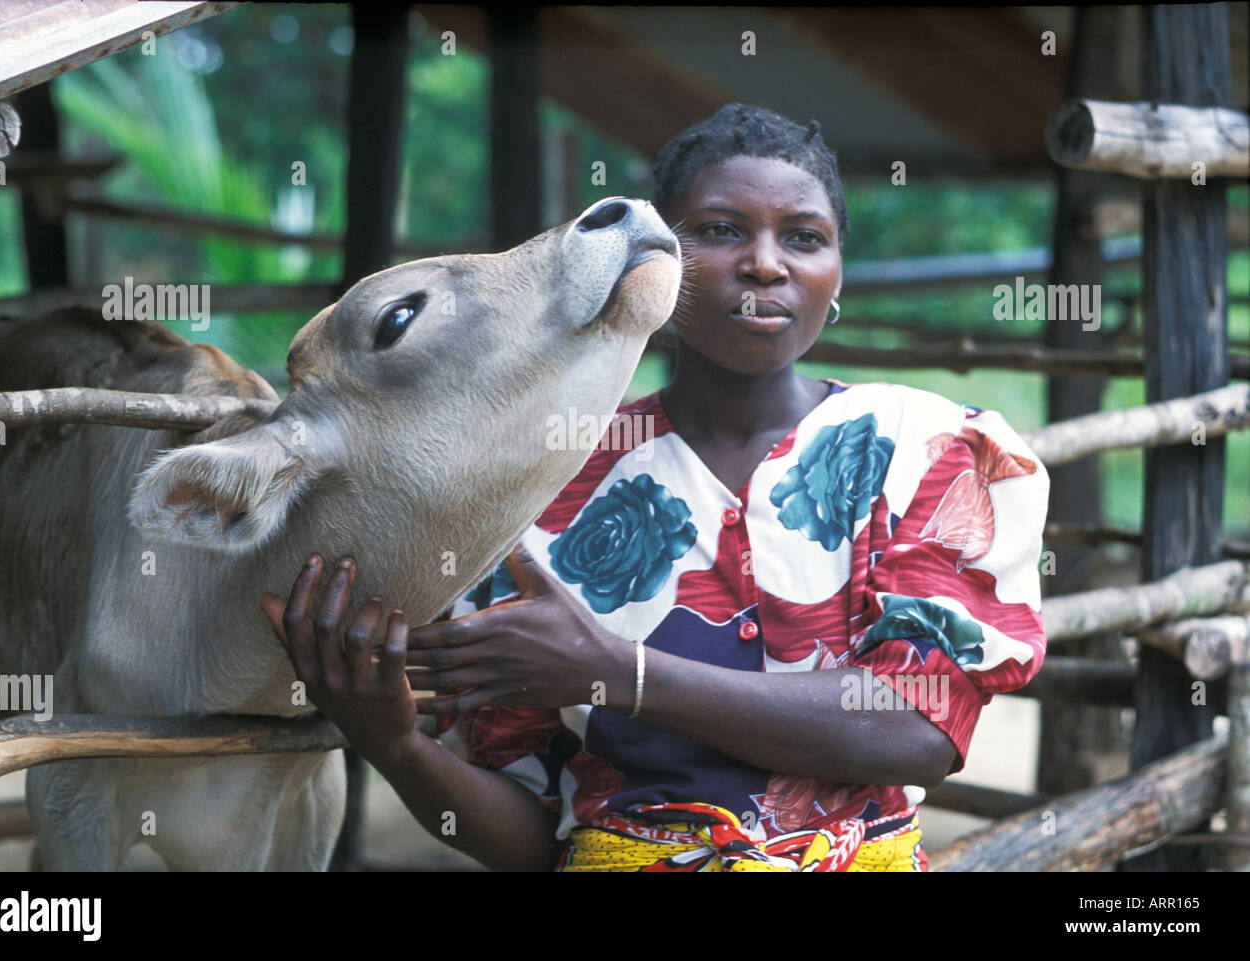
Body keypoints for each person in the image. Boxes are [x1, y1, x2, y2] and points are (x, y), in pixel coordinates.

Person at [261, 103, 1050, 872]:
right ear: (657, 260)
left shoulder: (925, 449)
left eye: (804, 238)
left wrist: (617, 671)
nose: (766, 263)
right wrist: (395, 746)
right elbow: (534, 838)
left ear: (836, 271)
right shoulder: (543, 485)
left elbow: (918, 728)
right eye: (720, 230)